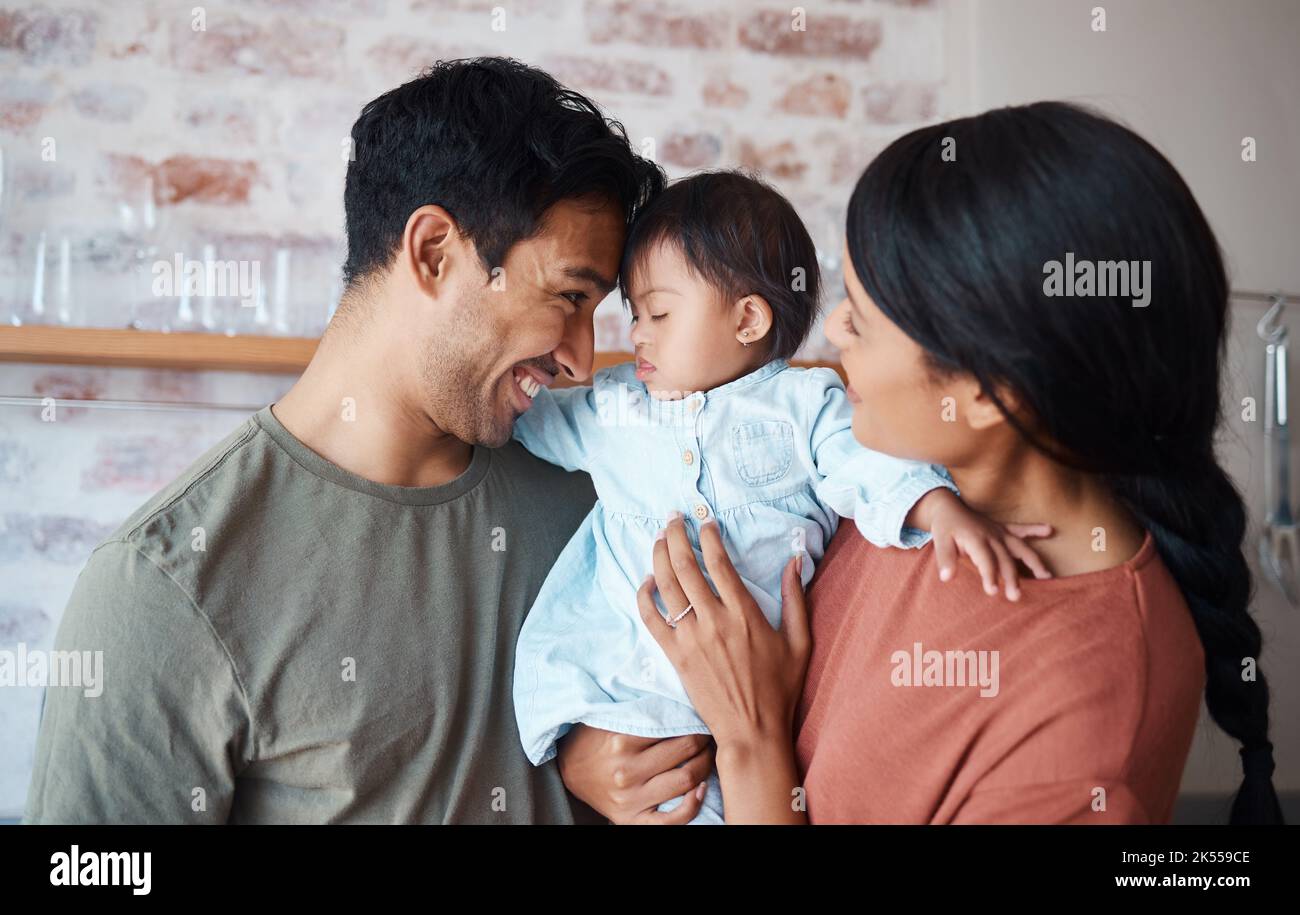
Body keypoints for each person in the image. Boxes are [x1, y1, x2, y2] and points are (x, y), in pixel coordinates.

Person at [557, 101, 1285, 825]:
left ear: (985, 392)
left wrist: (752, 742)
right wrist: (593, 754)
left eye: (865, 319)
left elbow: (750, 717)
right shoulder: (889, 480)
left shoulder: (1078, 743)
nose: (832, 327)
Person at [24, 57, 663, 824]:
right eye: (567, 296)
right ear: (432, 252)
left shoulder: (610, 493)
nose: (581, 360)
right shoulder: (165, 583)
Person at [509, 171, 1051, 824]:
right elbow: (525, 420)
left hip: (739, 701)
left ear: (748, 317)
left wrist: (937, 508)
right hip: (619, 679)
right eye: (634, 313)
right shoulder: (615, 406)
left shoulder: (805, 404)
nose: (638, 334)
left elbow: (865, 463)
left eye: (658, 313)